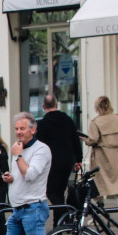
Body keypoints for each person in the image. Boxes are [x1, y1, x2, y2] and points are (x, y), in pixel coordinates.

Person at [83, 96, 118, 214]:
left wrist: (86, 140)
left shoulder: (95, 122)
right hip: (115, 154)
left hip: (101, 155)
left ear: (97, 107)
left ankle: (99, 211)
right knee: (117, 182)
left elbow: (93, 139)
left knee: (98, 183)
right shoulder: (117, 118)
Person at [37, 94, 81, 224]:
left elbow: (39, 144)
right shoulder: (68, 120)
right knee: (60, 191)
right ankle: (59, 223)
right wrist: (78, 159)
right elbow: (75, 140)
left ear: (43, 106)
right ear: (56, 105)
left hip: (51, 161)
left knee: (51, 191)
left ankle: (64, 213)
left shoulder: (43, 124)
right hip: (67, 160)